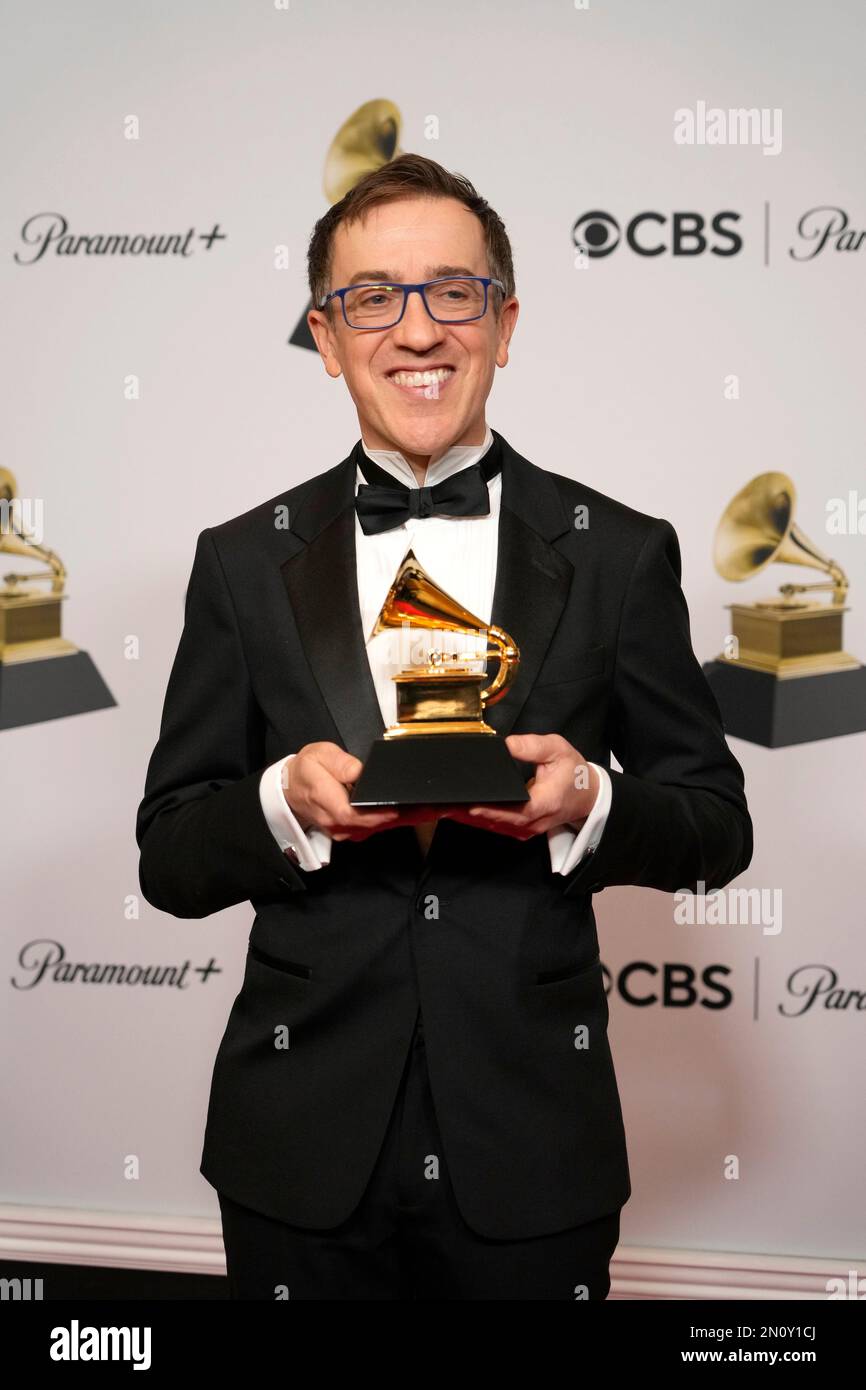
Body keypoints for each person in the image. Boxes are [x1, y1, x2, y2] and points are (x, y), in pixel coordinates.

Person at [135, 153, 752, 1300]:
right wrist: (281, 803)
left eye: (451, 292)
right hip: (295, 1149)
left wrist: (587, 801)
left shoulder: (617, 551)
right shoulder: (239, 560)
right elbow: (169, 854)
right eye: (371, 296)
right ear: (324, 336)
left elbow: (714, 826)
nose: (414, 331)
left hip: (534, 1152)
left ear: (503, 322)